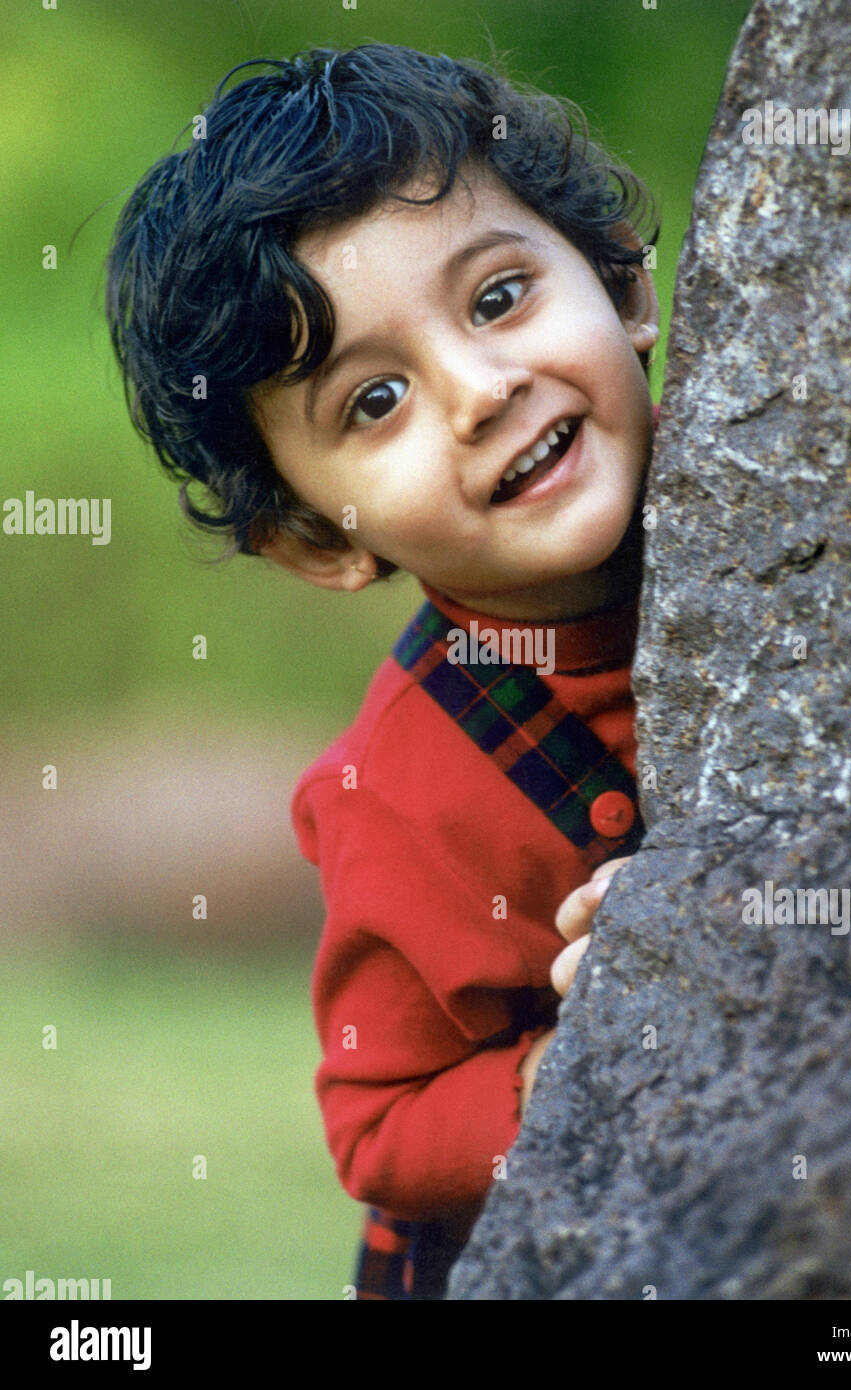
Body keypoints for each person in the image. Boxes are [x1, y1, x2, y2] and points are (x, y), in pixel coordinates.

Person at [106, 42, 660, 1299]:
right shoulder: (397, 790)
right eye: (373, 402)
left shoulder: (798, 490)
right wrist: (565, 1069)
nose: (477, 390)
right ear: (313, 536)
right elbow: (377, 1122)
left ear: (621, 281)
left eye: (501, 297)